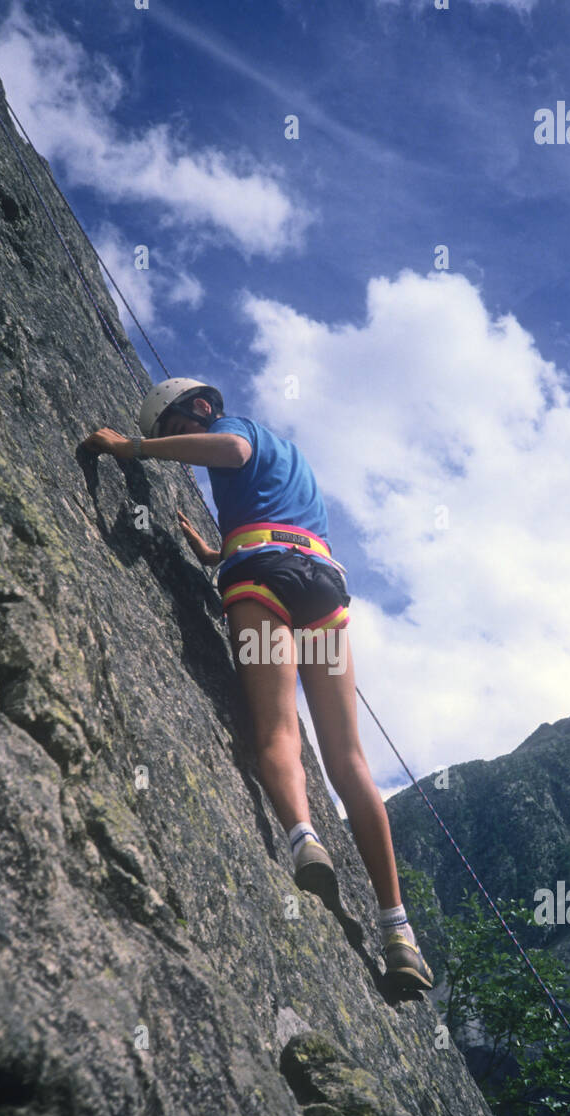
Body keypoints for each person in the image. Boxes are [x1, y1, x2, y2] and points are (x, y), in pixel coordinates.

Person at [81, 378, 433, 990]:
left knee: (275, 729)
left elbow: (232, 454)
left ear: (187, 417)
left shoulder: (238, 430)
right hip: (321, 587)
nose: (175, 445)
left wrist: (134, 449)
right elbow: (277, 515)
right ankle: (399, 930)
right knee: (350, 761)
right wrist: (214, 552)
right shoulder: (291, 454)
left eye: (172, 433)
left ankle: (303, 840)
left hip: (262, 579)